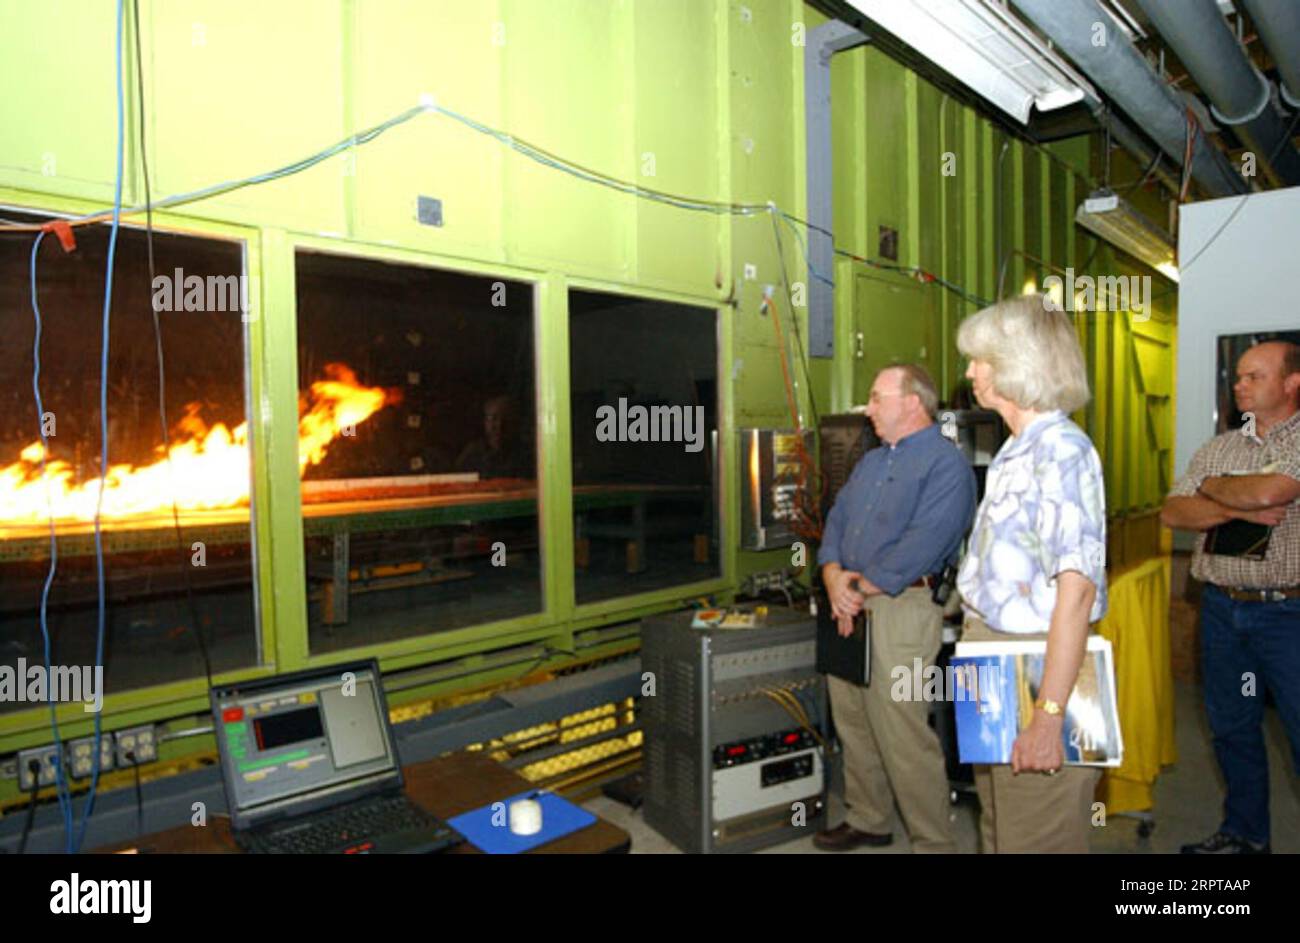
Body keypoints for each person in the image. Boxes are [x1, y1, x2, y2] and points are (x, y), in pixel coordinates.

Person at [955, 295, 1108, 854]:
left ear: (1018, 362)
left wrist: (1049, 715)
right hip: (991, 656)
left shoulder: (1064, 452)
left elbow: (1078, 591)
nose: (970, 371)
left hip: (1037, 660)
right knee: (1001, 822)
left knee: (1038, 834)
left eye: (981, 358)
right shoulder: (1018, 450)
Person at [815, 364, 977, 853]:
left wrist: (854, 590)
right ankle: (869, 818)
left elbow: (922, 545)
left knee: (902, 731)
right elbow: (836, 521)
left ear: (912, 402)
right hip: (849, 603)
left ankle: (933, 841)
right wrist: (830, 575)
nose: (868, 408)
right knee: (854, 721)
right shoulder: (870, 462)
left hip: (901, 608)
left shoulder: (947, 467)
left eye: (875, 397)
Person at [1160, 340, 1300, 855]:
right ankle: (1245, 835)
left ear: (1291, 383)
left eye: (1254, 377)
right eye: (1238, 377)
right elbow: (1174, 512)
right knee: (1233, 725)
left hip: (1288, 615)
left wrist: (1213, 493)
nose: (1239, 385)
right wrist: (1233, 502)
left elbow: (1273, 493)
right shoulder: (1219, 450)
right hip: (1224, 611)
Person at [456, 394, 528, 479]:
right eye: (494, 418)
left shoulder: (526, 455)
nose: (500, 425)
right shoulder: (472, 454)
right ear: (486, 422)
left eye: (506, 418)